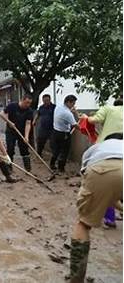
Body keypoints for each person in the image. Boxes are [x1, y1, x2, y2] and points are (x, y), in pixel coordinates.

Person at [68, 133, 123, 283]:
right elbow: (112, 195)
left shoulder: (97, 148)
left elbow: (90, 180)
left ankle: (76, 279)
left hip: (102, 169)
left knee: (83, 223)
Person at [81, 98, 123, 228]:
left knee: (107, 187)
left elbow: (93, 120)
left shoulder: (108, 108)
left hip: (105, 155)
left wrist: (85, 117)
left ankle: (110, 218)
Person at [0, 94, 34, 171]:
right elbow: (1, 114)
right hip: (10, 131)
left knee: (24, 150)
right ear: (22, 100)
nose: (28, 105)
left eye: (29, 103)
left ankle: (28, 169)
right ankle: (9, 167)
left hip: (21, 132)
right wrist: (9, 122)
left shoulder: (29, 111)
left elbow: (28, 124)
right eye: (26, 102)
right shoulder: (12, 106)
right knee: (10, 149)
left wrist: (26, 136)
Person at [51, 95, 79, 173]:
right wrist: (84, 130)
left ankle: (52, 165)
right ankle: (61, 168)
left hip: (55, 131)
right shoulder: (67, 113)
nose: (74, 105)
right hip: (64, 134)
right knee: (64, 151)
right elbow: (75, 125)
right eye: (73, 103)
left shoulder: (58, 107)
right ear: (68, 102)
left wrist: (72, 111)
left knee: (56, 150)